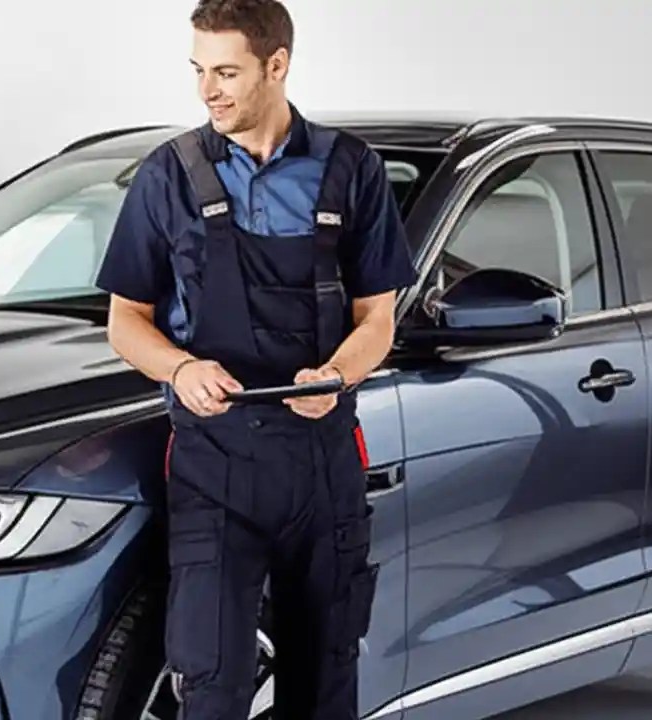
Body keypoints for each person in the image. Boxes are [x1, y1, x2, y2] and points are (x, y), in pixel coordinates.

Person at [94, 1, 417, 718]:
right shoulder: (167, 176)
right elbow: (126, 323)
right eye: (199, 71)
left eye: (228, 71)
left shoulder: (352, 169)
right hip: (214, 464)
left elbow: (378, 318)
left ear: (278, 65)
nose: (209, 90)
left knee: (326, 680)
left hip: (322, 462)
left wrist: (337, 375)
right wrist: (179, 368)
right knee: (211, 685)